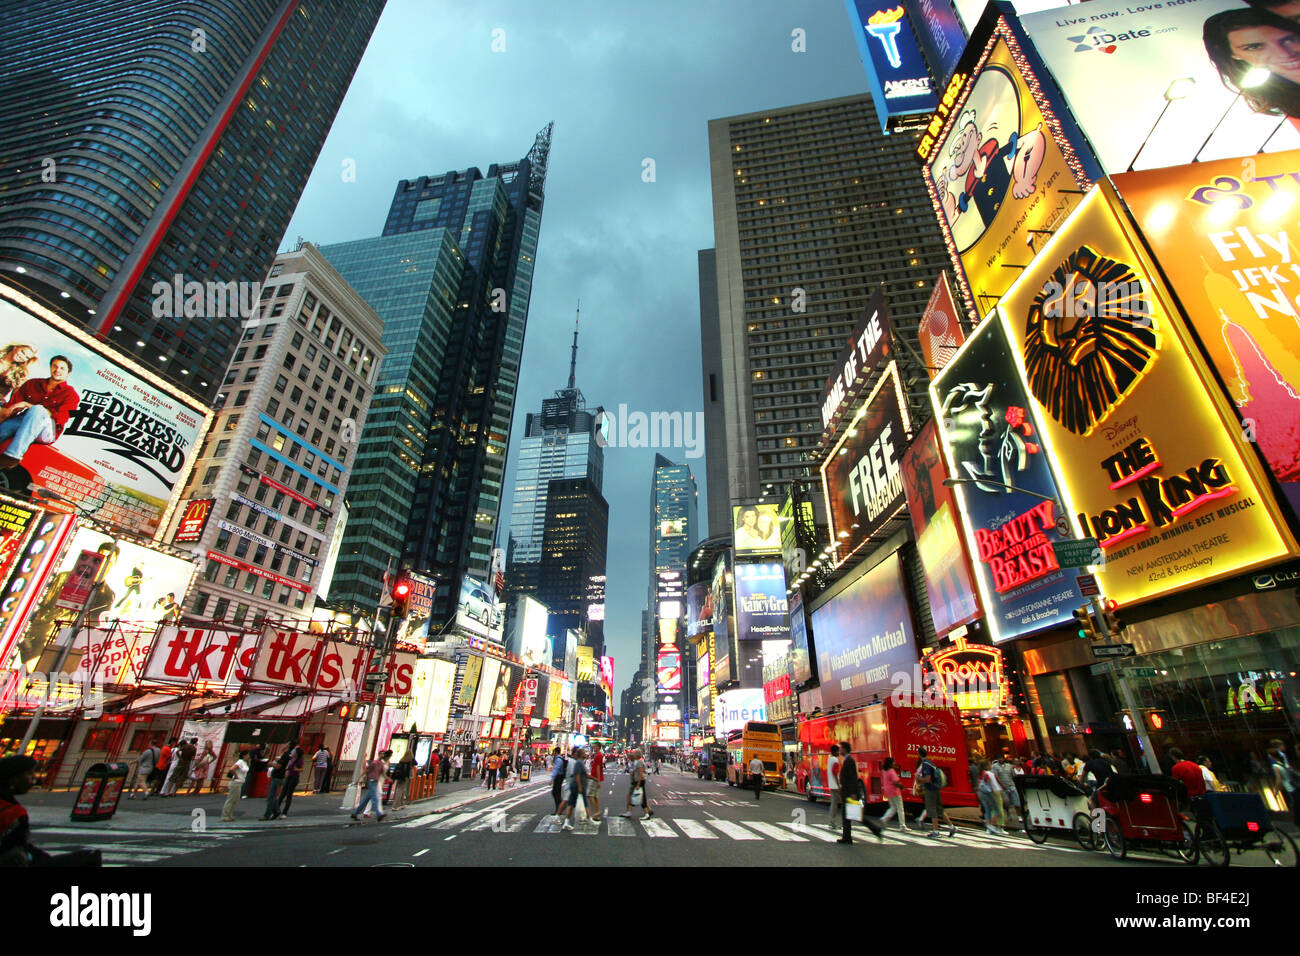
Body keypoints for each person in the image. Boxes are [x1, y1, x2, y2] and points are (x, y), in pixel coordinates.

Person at [0, 755, 101, 867]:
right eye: (29, 773)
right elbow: (14, 853)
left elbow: (17, 845)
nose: (33, 778)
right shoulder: (14, 814)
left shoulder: (9, 807)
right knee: (89, 858)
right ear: (13, 779)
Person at [1205, 7, 1300, 118]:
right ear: (1232, 54)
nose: (1284, 54)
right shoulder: (1285, 102)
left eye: (1291, 40)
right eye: (1254, 47)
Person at [0, 354, 80, 469]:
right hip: (24, 421)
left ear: (69, 373)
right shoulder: (32, 383)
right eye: (55, 366)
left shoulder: (71, 395)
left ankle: (12, 456)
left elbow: (61, 418)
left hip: (48, 430)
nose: (57, 370)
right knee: (6, 426)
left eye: (62, 368)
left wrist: (29, 405)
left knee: (37, 409)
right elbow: (11, 406)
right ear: (50, 367)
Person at [836, 740, 883, 844]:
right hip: (847, 792)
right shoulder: (847, 760)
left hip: (849, 793)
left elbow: (853, 778)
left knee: (852, 815)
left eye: (840, 748)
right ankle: (848, 836)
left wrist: (853, 793)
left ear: (844, 749)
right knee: (851, 816)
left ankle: (848, 837)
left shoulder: (850, 761)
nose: (839, 750)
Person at [914, 747, 957, 839]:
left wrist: (918, 778)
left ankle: (936, 831)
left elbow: (928, 779)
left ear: (919, 754)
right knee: (940, 809)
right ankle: (951, 827)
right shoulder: (930, 762)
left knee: (932, 809)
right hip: (936, 788)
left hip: (930, 789)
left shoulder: (925, 764)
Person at [1266, 739, 1300, 825]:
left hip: (1289, 787)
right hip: (1292, 785)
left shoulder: (1276, 765)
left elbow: (1279, 778)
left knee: (1295, 806)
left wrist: (1276, 790)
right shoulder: (1283, 762)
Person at [351, 750, 390, 823]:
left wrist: (388, 779)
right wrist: (358, 779)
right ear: (378, 754)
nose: (382, 755)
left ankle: (355, 813)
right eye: (381, 754)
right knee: (375, 798)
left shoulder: (381, 764)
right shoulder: (374, 763)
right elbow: (366, 770)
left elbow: (383, 773)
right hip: (372, 781)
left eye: (383, 754)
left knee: (365, 800)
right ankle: (379, 814)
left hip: (375, 782)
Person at [556, 747, 588, 831]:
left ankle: (568, 820)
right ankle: (558, 817)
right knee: (566, 802)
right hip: (571, 785)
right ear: (574, 754)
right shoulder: (573, 762)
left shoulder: (574, 761)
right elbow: (575, 774)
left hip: (572, 785)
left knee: (570, 804)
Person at [976, 760, 1007, 835]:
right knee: (998, 810)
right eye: (990, 765)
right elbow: (990, 783)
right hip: (992, 792)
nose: (991, 766)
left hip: (983, 793)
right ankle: (995, 826)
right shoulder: (988, 773)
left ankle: (989, 828)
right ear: (987, 766)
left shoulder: (981, 773)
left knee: (988, 810)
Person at [879, 756, 909, 831]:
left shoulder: (884, 770)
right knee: (900, 808)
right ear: (890, 764)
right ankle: (902, 825)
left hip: (887, 791)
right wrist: (901, 786)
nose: (895, 763)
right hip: (895, 791)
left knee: (893, 807)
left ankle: (884, 819)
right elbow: (895, 782)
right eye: (893, 762)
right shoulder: (891, 771)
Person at [623, 749, 654, 819]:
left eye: (634, 753)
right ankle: (647, 811)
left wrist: (638, 784)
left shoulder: (639, 762)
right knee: (638, 797)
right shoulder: (637, 762)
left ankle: (646, 813)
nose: (633, 754)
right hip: (638, 781)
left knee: (640, 798)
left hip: (639, 781)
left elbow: (640, 774)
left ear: (636, 755)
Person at [263, 747, 291, 820]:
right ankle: (276, 811)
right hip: (279, 777)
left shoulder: (284, 757)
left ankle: (267, 814)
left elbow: (278, 766)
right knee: (273, 796)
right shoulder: (285, 757)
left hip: (277, 777)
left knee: (271, 796)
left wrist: (271, 764)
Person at [276, 746, 304, 817]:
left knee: (289, 794)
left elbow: (302, 769)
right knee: (282, 793)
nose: (293, 752)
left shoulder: (300, 760)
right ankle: (276, 810)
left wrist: (296, 769)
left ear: (297, 753)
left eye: (294, 751)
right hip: (289, 776)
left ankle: (284, 812)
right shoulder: (292, 758)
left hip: (294, 777)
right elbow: (282, 752)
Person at [222, 751, 249, 822]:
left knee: (235, 800)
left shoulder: (244, 762)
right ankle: (225, 815)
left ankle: (230, 815)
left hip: (239, 782)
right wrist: (236, 776)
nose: (248, 756)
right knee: (231, 799)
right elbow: (231, 769)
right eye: (247, 755)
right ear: (244, 756)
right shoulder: (240, 762)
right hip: (236, 782)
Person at [826, 744, 843, 831]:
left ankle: (832, 822)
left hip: (831, 785)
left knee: (834, 804)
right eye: (838, 751)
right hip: (835, 786)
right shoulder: (835, 760)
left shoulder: (829, 759)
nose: (839, 752)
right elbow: (835, 772)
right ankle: (832, 823)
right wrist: (838, 784)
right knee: (835, 805)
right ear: (835, 752)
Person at [587, 742, 605, 822]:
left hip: (594, 778)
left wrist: (597, 780)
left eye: (595, 747)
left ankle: (596, 812)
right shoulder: (598, 755)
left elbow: (598, 767)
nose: (593, 748)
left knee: (590, 795)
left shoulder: (598, 755)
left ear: (598, 747)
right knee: (595, 796)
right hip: (596, 777)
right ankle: (597, 815)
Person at [550, 747, 567, 813]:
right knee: (556, 792)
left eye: (554, 752)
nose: (553, 753)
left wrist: (552, 778)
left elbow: (556, 769)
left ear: (555, 752)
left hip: (559, 778)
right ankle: (560, 807)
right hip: (560, 777)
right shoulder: (559, 759)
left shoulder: (558, 759)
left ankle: (560, 807)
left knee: (556, 793)